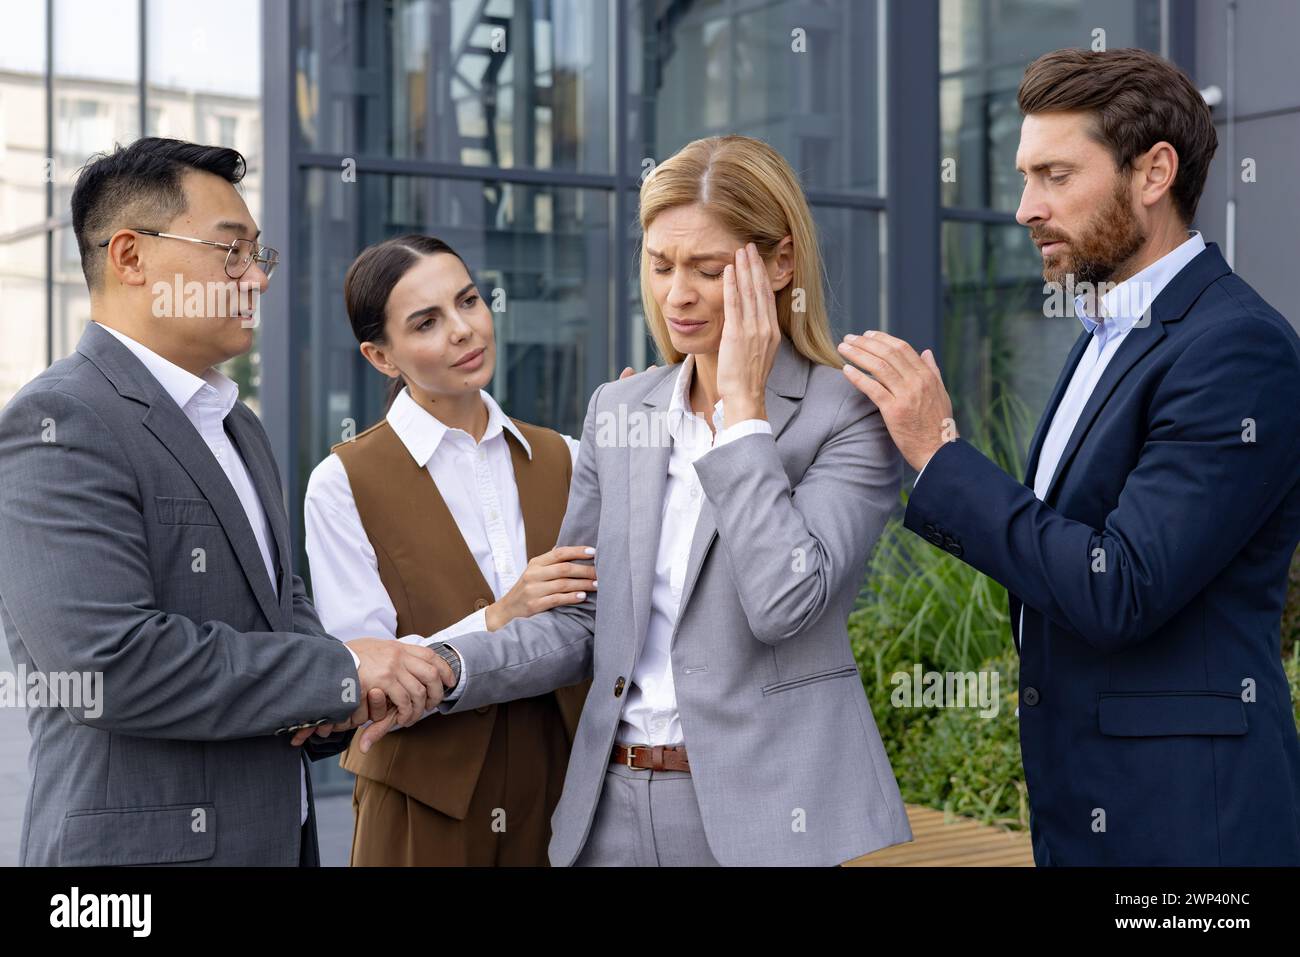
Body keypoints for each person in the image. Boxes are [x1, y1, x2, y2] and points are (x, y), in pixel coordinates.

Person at [359, 134, 912, 867]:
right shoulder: (620, 409)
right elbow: (583, 618)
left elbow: (786, 600)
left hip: (768, 820)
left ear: (781, 263)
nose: (676, 294)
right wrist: (447, 670)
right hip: (610, 810)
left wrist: (742, 416)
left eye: (708, 270)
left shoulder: (845, 413)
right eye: (660, 265)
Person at [839, 48, 1300, 865]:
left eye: (1054, 175)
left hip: (1193, 830)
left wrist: (940, 453)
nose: (1025, 208)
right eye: (1024, 177)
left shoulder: (1237, 349)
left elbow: (1117, 586)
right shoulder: (1104, 336)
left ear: (1154, 172)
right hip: (1088, 809)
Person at [0, 137, 450, 867]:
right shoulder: (61, 420)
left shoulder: (238, 425)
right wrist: (338, 671)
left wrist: (340, 694)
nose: (256, 279)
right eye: (230, 251)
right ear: (130, 256)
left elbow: (284, 611)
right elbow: (108, 663)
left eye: (257, 254)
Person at [303, 234, 594, 866]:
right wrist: (497, 616)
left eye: (469, 301)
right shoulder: (342, 483)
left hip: (563, 789)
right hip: (422, 801)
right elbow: (365, 676)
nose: (464, 331)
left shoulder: (566, 456)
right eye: (427, 323)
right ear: (381, 356)